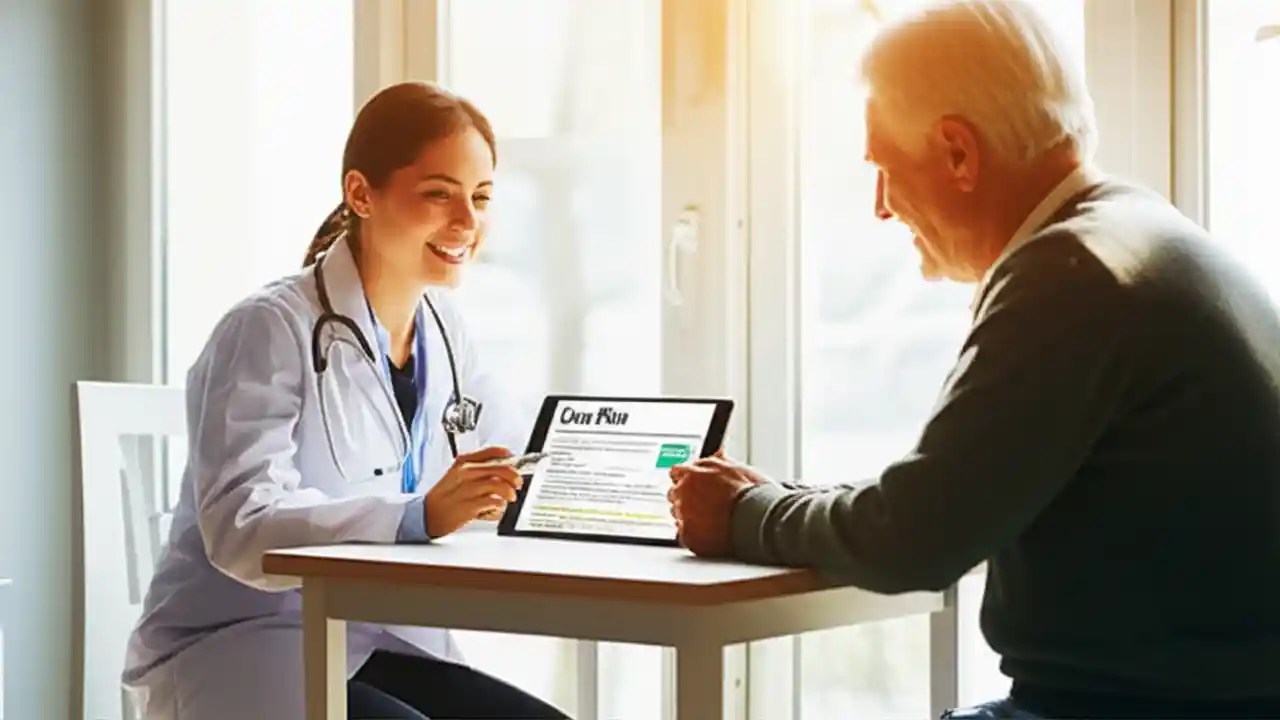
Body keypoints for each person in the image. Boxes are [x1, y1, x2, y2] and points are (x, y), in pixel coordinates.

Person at [668, 2, 1280, 718]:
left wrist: (745, 514)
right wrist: (779, 500)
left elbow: (915, 537)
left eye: (883, 168)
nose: (881, 207)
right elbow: (955, 494)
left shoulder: (1070, 273)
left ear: (958, 152)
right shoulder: (1135, 233)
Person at [122, 81, 568, 719]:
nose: (467, 222)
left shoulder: (445, 332)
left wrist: (615, 489)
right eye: (438, 194)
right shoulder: (268, 327)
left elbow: (512, 465)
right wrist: (416, 516)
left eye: (480, 197)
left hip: (376, 640)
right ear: (361, 194)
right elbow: (242, 525)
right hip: (243, 643)